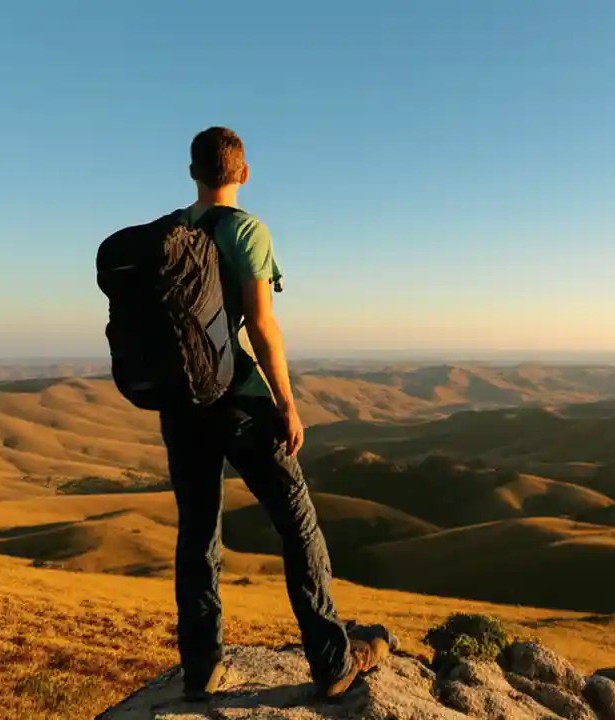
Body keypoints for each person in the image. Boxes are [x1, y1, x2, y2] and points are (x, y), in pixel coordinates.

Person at [160, 126, 386, 700]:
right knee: (297, 522)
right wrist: (287, 403)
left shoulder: (172, 232)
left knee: (197, 531)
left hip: (181, 406)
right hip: (238, 398)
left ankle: (202, 667)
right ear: (244, 172)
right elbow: (261, 324)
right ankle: (333, 662)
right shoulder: (245, 231)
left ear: (192, 172)